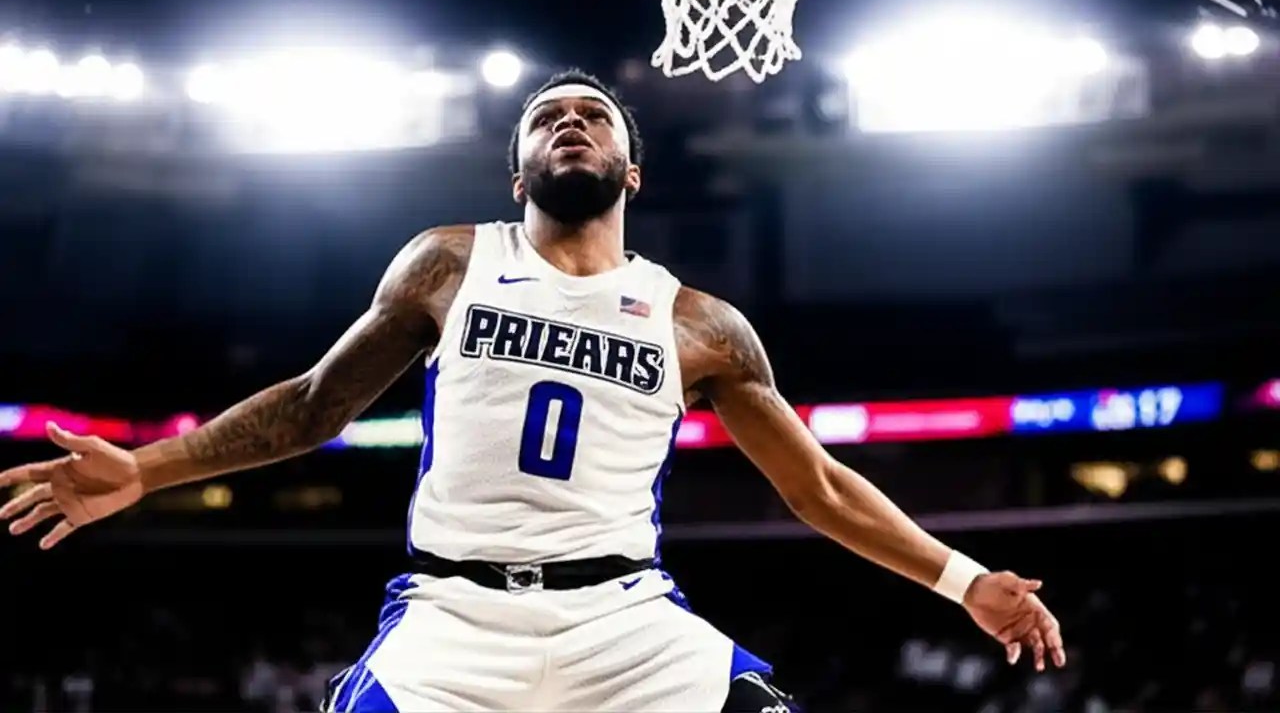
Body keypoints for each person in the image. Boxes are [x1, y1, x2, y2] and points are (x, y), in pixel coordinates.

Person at [0, 69, 1065, 712]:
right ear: (518, 174)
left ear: (631, 172)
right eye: (549, 117)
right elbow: (316, 403)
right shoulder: (448, 262)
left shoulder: (698, 323)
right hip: (453, 619)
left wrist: (965, 581)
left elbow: (816, 488)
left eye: (593, 115)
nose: (571, 122)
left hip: (626, 624)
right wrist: (144, 469)